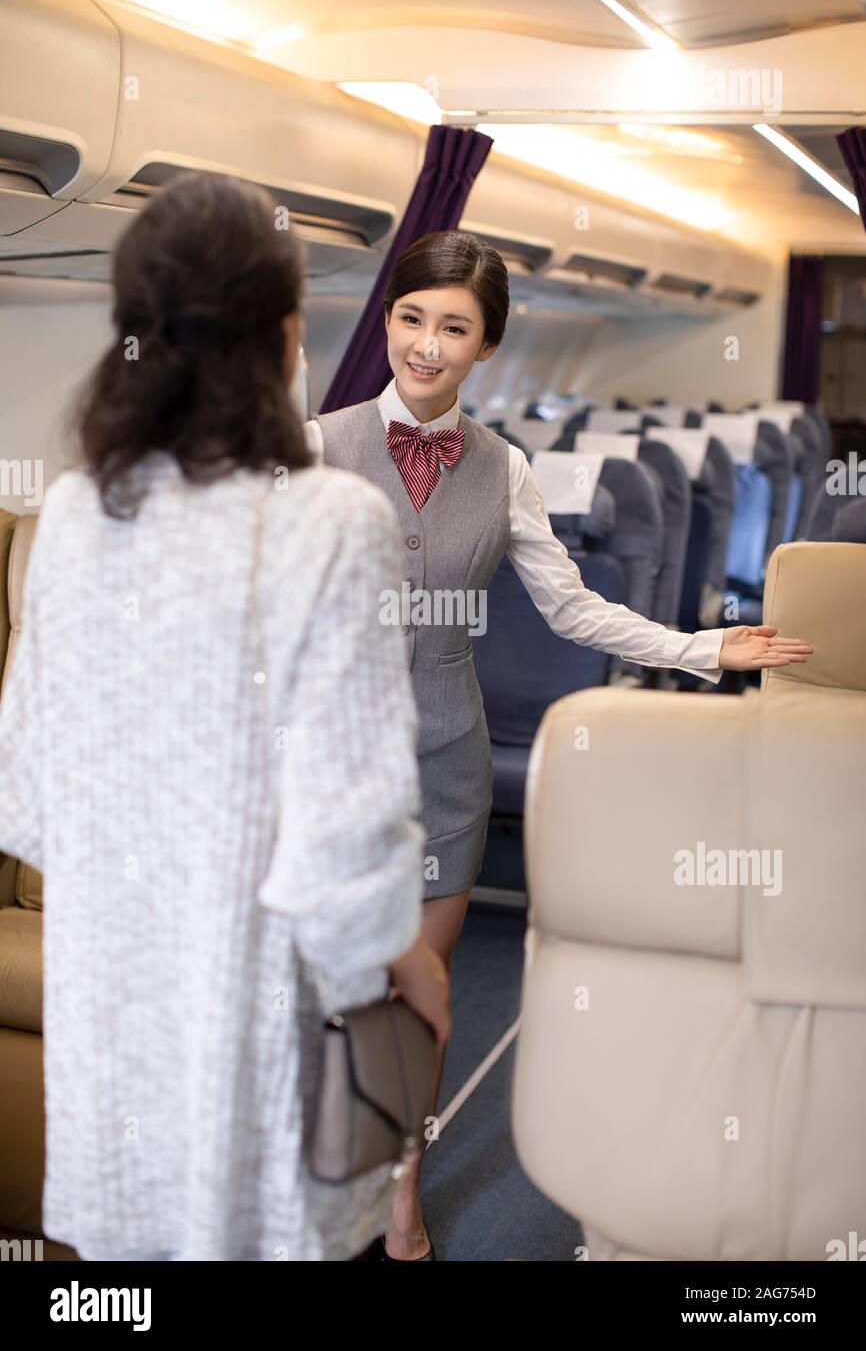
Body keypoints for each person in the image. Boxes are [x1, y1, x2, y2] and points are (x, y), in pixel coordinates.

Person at [304, 229, 815, 1260]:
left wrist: (701, 644)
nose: (425, 346)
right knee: (324, 998)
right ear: (387, 321)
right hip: (325, 769)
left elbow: (574, 610)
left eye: (453, 328)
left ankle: (399, 1195)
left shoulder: (504, 470)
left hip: (445, 764)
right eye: (410, 318)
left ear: (487, 346)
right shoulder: (311, 448)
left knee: (419, 1005)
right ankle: (308, 1189)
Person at [0, 172, 449, 1261]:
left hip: (110, 981)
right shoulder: (335, 525)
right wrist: (410, 962)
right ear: (287, 333)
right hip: (264, 993)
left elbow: (27, 795)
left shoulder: (70, 514)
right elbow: (349, 830)